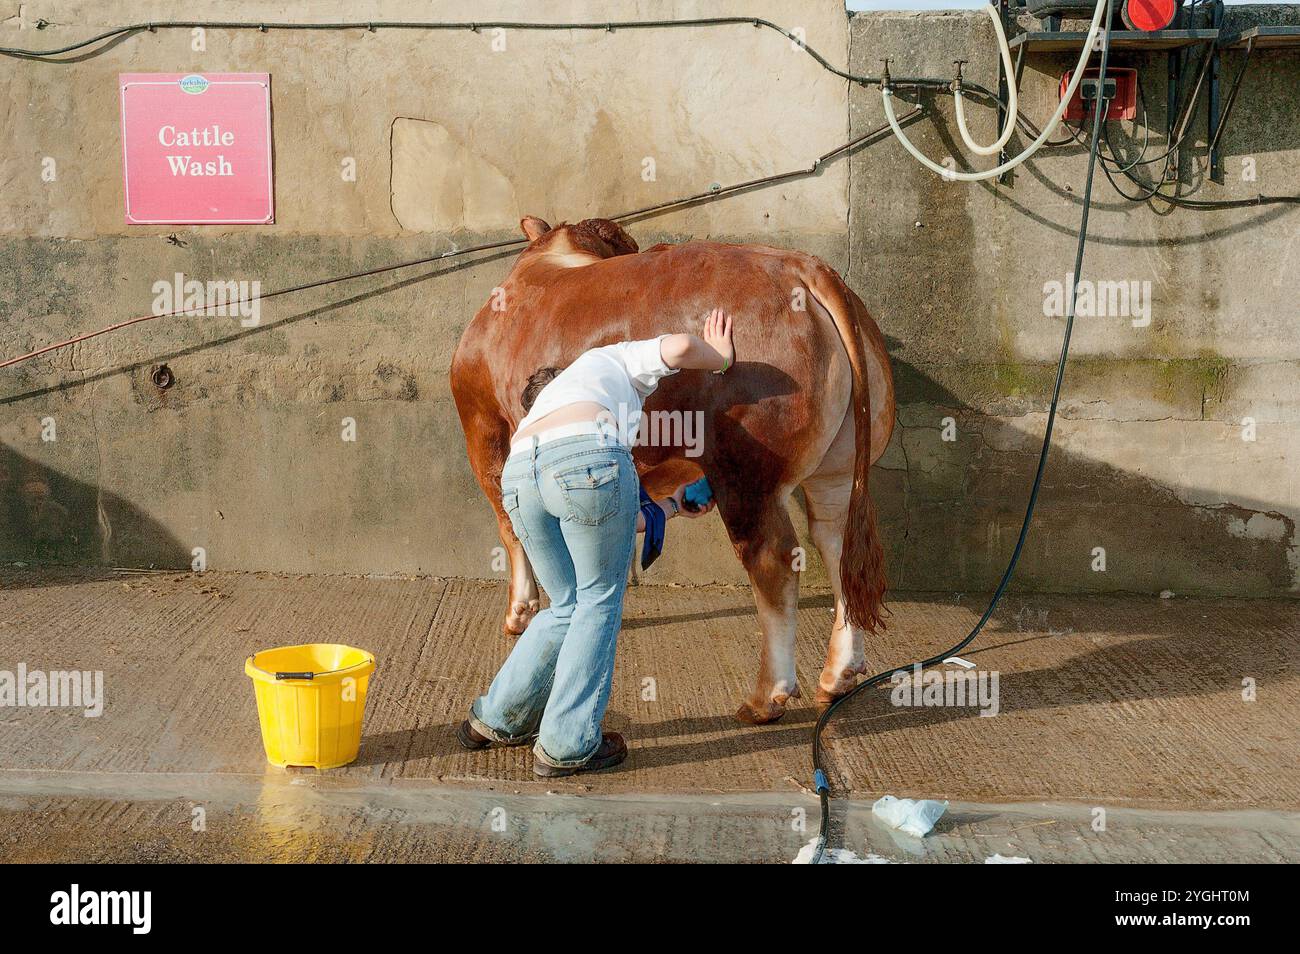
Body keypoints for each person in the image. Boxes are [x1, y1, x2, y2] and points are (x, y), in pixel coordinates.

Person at [458, 308, 735, 776]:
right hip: (588, 461)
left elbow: (604, 517)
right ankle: (566, 744)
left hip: (522, 473)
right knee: (598, 601)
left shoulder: (544, 412)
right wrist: (723, 358)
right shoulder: (608, 359)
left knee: (565, 603)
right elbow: (683, 348)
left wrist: (670, 508)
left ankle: (494, 718)